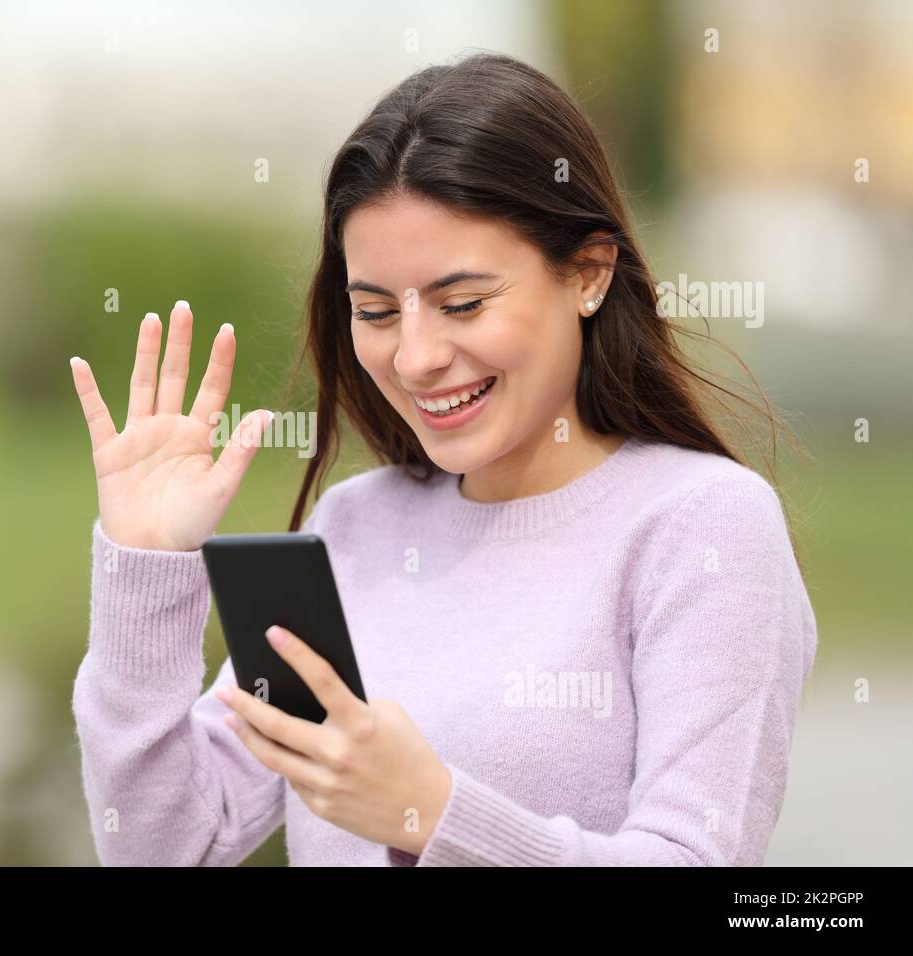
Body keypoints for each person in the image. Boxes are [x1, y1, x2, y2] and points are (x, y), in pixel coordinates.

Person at [67, 51, 817, 866]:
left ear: (589, 273)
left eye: (463, 303)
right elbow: (166, 847)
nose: (417, 356)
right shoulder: (353, 529)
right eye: (377, 310)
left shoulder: (704, 527)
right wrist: (142, 573)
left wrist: (433, 814)